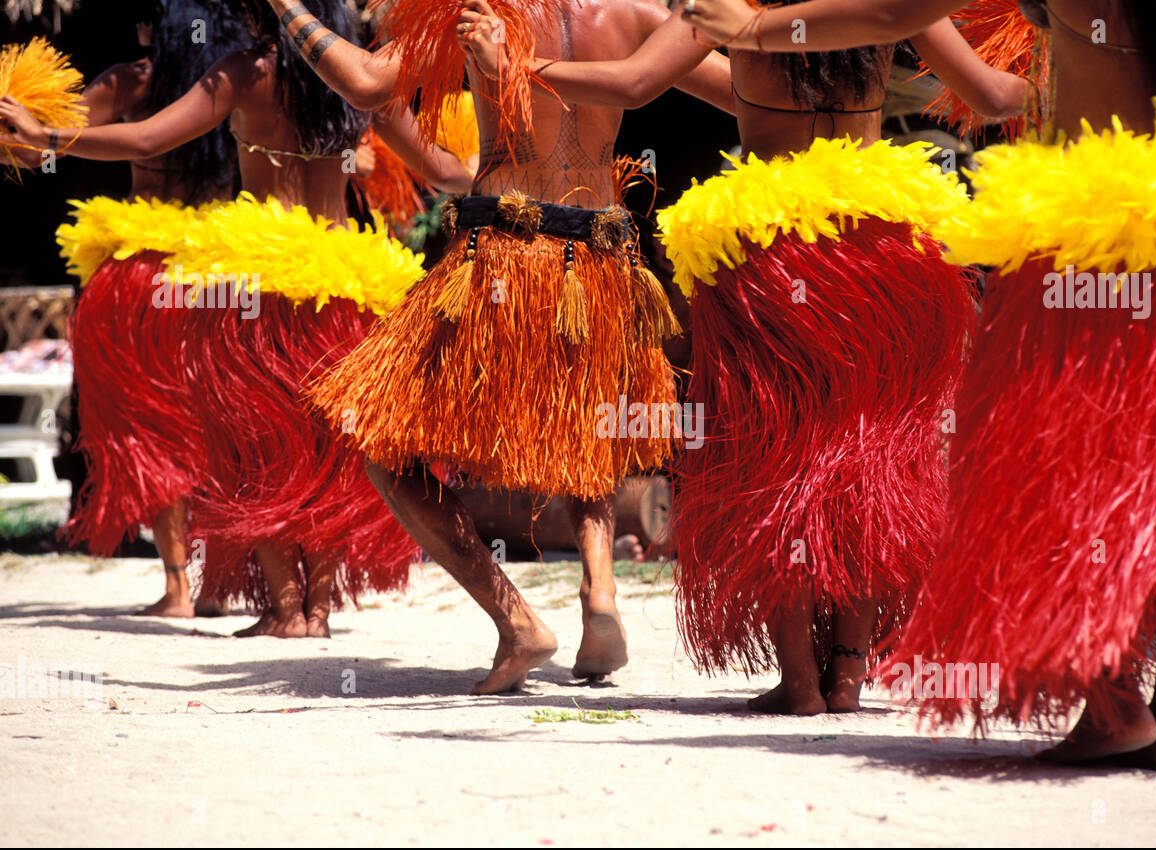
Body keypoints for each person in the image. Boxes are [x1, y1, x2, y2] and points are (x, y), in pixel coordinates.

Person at [686, 0, 1156, 774]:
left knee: (1067, 465)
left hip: (1100, 230)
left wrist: (753, 33)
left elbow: (889, 12)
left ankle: (1112, 705)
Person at [459, 1, 1027, 713]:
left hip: (772, 251)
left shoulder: (730, 7)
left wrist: (516, 66)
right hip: (882, 244)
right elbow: (1000, 96)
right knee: (870, 455)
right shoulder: (884, 6)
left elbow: (635, 84)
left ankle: (800, 681)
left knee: (769, 457)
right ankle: (848, 674)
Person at [251, 0, 732, 692]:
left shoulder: (475, 10)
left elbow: (362, 81)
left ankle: (516, 621)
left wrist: (288, 8)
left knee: (385, 445)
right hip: (598, 262)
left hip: (503, 256)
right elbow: (743, 92)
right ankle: (600, 589)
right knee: (582, 428)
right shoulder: (639, 13)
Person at [1, 0, 471, 637]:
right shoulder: (364, 85)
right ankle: (320, 610)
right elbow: (447, 171)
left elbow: (148, 137)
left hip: (260, 282)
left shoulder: (250, 72)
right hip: (345, 283)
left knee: (255, 447)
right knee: (328, 449)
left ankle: (284, 609)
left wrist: (49, 136)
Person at [54, 0, 248, 619]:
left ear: (153, 27)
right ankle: (219, 582)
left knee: (152, 428)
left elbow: (41, 145)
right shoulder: (238, 80)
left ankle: (179, 588)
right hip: (225, 268)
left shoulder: (136, 80)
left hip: (143, 274)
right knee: (217, 428)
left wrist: (24, 127)